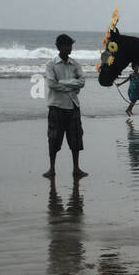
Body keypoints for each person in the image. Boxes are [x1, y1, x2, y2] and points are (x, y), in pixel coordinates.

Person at [43, 33, 87, 179]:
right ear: (59, 47)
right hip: (57, 105)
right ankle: (52, 169)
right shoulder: (51, 64)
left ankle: (76, 168)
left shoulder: (75, 64)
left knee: (76, 139)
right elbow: (51, 84)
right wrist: (71, 84)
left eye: (70, 45)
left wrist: (63, 82)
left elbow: (82, 82)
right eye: (67, 46)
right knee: (54, 138)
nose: (69, 48)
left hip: (73, 105)